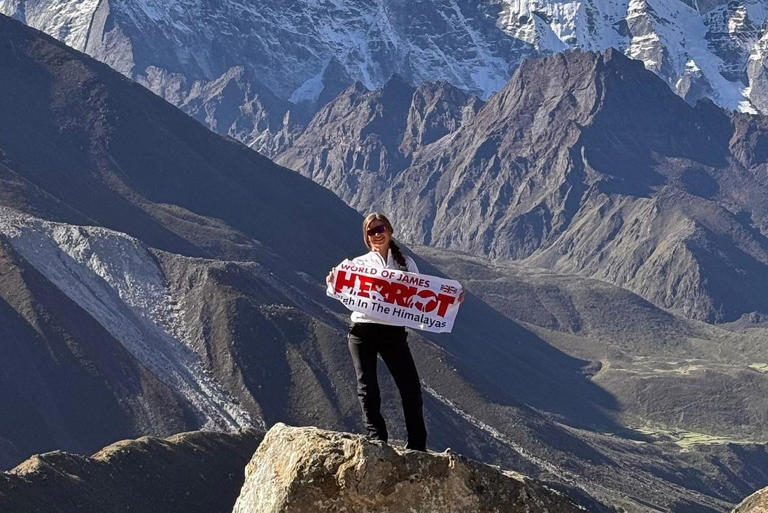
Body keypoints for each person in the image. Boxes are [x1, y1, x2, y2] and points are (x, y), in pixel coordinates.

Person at [327, 213, 463, 451]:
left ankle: (417, 445)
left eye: (380, 229)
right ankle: (376, 437)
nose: (377, 234)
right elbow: (341, 289)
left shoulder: (406, 263)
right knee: (367, 387)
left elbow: (423, 296)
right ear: (366, 238)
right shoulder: (358, 264)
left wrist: (450, 300)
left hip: (393, 332)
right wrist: (333, 281)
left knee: (410, 387)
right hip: (363, 330)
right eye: (371, 231)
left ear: (389, 230)